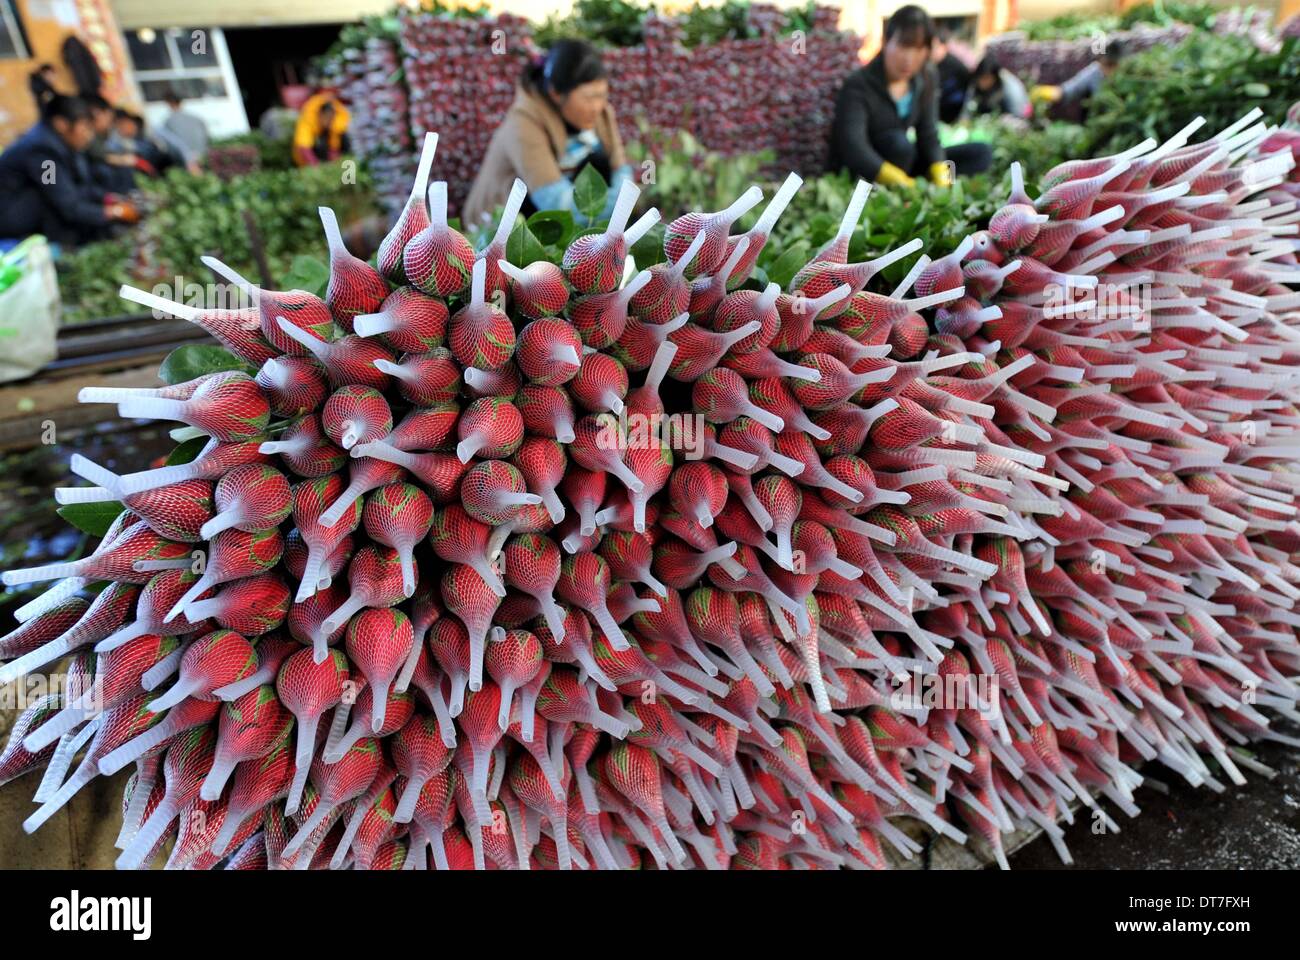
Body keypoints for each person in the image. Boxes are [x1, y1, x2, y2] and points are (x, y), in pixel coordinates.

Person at [463, 39, 632, 229]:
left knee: (599, 161)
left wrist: (623, 200)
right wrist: (622, 203)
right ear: (556, 93)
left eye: (602, 95)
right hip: (507, 225)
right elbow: (557, 205)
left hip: (571, 209)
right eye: (589, 97)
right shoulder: (523, 122)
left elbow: (621, 169)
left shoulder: (600, 112)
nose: (597, 106)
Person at [830, 6, 991, 190]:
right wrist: (896, 178)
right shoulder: (858, 85)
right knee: (899, 145)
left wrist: (940, 170)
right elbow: (853, 146)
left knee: (980, 153)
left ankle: (926, 187)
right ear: (885, 42)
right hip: (869, 170)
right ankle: (902, 188)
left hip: (906, 163)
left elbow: (928, 135)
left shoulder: (926, 77)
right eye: (903, 46)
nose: (909, 58)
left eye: (918, 48)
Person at [0, 95, 139, 248]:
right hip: (9, 219)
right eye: (85, 127)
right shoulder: (43, 155)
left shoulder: (55, 144)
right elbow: (66, 204)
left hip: (23, 210)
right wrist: (115, 212)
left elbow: (74, 188)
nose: (88, 135)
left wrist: (111, 199)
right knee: (56, 204)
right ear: (61, 124)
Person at [1031, 39, 1126, 110]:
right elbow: (1068, 90)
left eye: (1111, 65)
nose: (1107, 71)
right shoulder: (1095, 72)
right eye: (1105, 65)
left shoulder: (1130, 76)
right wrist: (1044, 92)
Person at [293, 90, 350, 167]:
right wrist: (315, 165)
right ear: (320, 114)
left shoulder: (337, 118)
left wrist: (334, 161)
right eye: (326, 118)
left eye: (331, 119)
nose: (328, 122)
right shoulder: (307, 119)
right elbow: (303, 146)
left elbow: (334, 143)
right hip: (311, 149)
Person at [157, 92, 210, 174]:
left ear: (169, 103)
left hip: (184, 161)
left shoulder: (169, 122)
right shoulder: (196, 118)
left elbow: (170, 145)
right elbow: (206, 138)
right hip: (201, 156)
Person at [967, 54, 1031, 119]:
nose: (982, 82)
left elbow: (1018, 114)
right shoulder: (977, 84)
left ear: (995, 78)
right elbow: (968, 108)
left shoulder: (1009, 87)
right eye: (981, 78)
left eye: (986, 78)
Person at [932, 27, 970, 124]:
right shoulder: (930, 65)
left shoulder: (957, 67)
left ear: (944, 47)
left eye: (934, 47)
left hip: (952, 116)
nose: (930, 51)